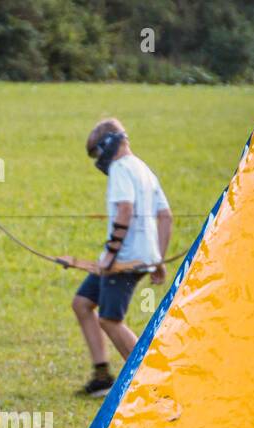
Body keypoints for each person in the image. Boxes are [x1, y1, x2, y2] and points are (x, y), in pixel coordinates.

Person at [74, 118, 172, 398]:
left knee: (109, 319)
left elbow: (125, 211)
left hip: (123, 259)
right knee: (82, 303)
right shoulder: (143, 168)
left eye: (96, 153)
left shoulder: (120, 168)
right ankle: (102, 376)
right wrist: (157, 258)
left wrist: (110, 257)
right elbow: (166, 216)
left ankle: (152, 383)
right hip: (135, 257)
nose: (97, 160)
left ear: (108, 145)